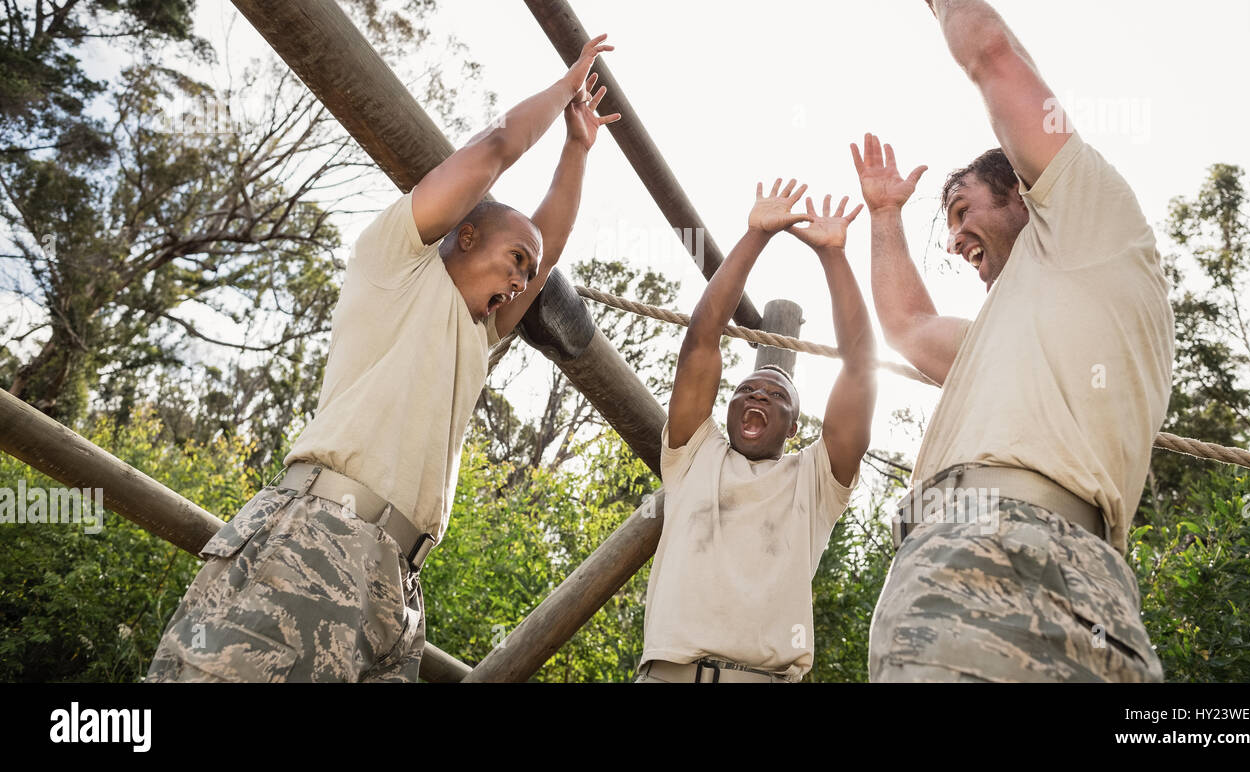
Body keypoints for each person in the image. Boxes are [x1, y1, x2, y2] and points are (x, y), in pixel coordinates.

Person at [147, 35, 620, 682]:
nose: (522, 283)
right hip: (319, 536)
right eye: (516, 261)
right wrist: (566, 89)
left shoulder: (476, 338)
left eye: (527, 276)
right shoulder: (395, 263)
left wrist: (578, 150)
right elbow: (495, 148)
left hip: (398, 585)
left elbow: (550, 241)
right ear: (467, 234)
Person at [859, 0, 1174, 682]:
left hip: (998, 548)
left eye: (966, 208)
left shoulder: (1090, 222)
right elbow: (908, 325)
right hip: (1075, 574)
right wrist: (884, 217)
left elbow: (996, 57)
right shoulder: (1013, 332)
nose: (957, 236)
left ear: (1027, 194)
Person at [635, 179, 876, 683]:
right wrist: (755, 236)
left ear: (793, 428)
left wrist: (833, 256)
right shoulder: (694, 455)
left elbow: (859, 369)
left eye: (777, 395)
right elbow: (702, 337)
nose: (759, 395)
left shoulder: (814, 481)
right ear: (727, 407)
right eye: (746, 389)